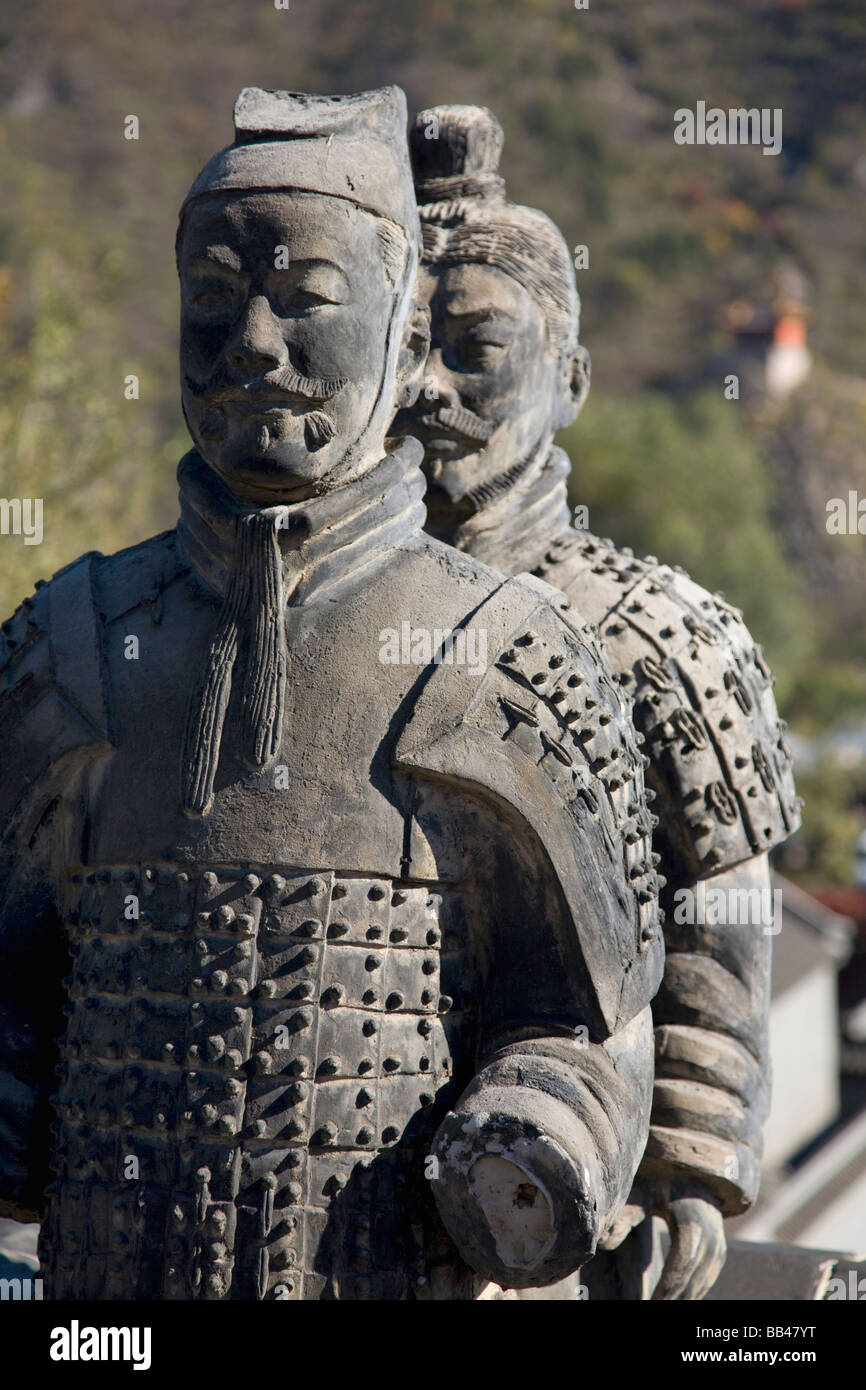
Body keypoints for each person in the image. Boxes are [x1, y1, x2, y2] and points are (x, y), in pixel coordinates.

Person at [0, 86, 662, 1300]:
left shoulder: (504, 648)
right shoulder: (72, 640)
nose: (253, 343)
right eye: (211, 300)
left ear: (406, 344)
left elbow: (589, 1018)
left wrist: (540, 1132)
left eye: (304, 301)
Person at [396, 103, 801, 1300]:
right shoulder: (289, 615)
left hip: (557, 1186)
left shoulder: (665, 635)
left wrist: (687, 1171)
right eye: (401, 344)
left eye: (473, 347)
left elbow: (719, 926)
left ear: (567, 378)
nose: (427, 386)